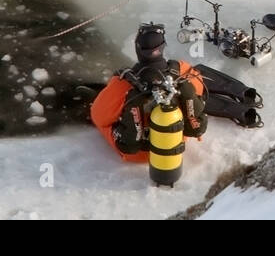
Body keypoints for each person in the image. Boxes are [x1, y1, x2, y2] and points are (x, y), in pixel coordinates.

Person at [89, 23, 207, 162]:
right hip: (174, 145)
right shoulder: (182, 70)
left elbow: (98, 116)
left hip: (137, 154)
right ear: (162, 47)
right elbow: (200, 89)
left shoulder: (122, 84)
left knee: (102, 119)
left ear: (138, 49)